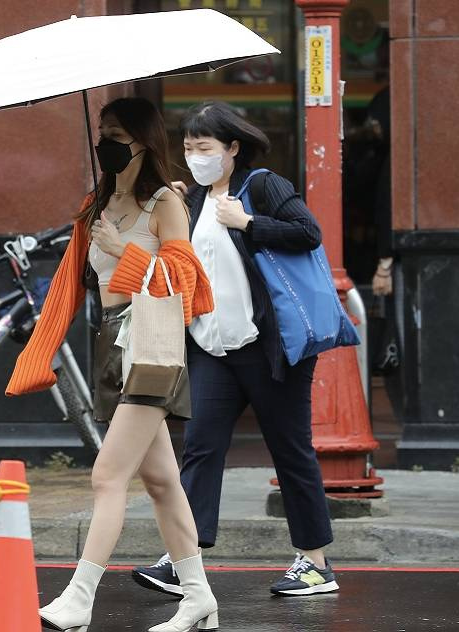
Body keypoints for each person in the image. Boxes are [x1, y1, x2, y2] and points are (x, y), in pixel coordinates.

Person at [6, 97, 218, 632]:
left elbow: (184, 280)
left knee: (107, 476)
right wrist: (42, 349)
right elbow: (70, 287)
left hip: (153, 347)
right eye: (102, 131)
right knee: (164, 483)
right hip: (112, 347)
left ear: (144, 140)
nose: (106, 142)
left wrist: (124, 248)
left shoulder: (166, 202)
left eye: (117, 133)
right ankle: (198, 598)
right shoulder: (95, 205)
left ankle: (80, 598)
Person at [132, 101, 339, 598]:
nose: (194, 155)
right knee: (201, 448)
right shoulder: (196, 199)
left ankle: (315, 563)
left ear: (232, 148)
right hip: (212, 347)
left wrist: (248, 222)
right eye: (188, 147)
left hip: (267, 348)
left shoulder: (263, 186)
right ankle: (186, 557)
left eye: (203, 147)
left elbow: (308, 233)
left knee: (290, 451)